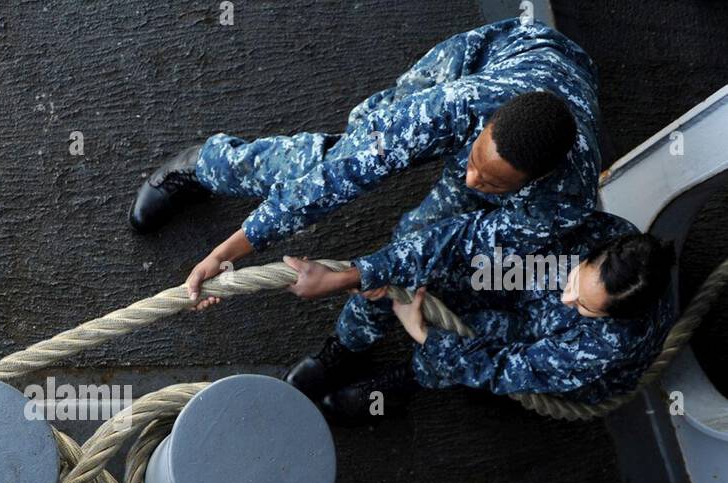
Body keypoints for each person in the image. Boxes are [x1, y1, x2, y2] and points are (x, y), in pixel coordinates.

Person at [128, 18, 604, 379]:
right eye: (474, 161)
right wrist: (228, 251)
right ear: (482, 128)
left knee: (416, 254)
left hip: (566, 91)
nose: (471, 177)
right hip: (504, 53)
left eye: (492, 183)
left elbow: (452, 244)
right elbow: (339, 178)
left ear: (530, 183)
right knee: (342, 150)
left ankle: (350, 344)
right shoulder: (455, 106)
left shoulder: (560, 203)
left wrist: (352, 277)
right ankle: (206, 165)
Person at [302, 213, 675, 422]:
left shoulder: (607, 343)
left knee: (471, 336)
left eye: (584, 306)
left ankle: (409, 380)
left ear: (609, 316)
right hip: (528, 280)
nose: (568, 297)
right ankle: (346, 347)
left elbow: (508, 368)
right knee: (413, 276)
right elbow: (479, 236)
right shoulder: (607, 234)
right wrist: (371, 272)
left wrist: (424, 336)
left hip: (547, 344)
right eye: (576, 280)